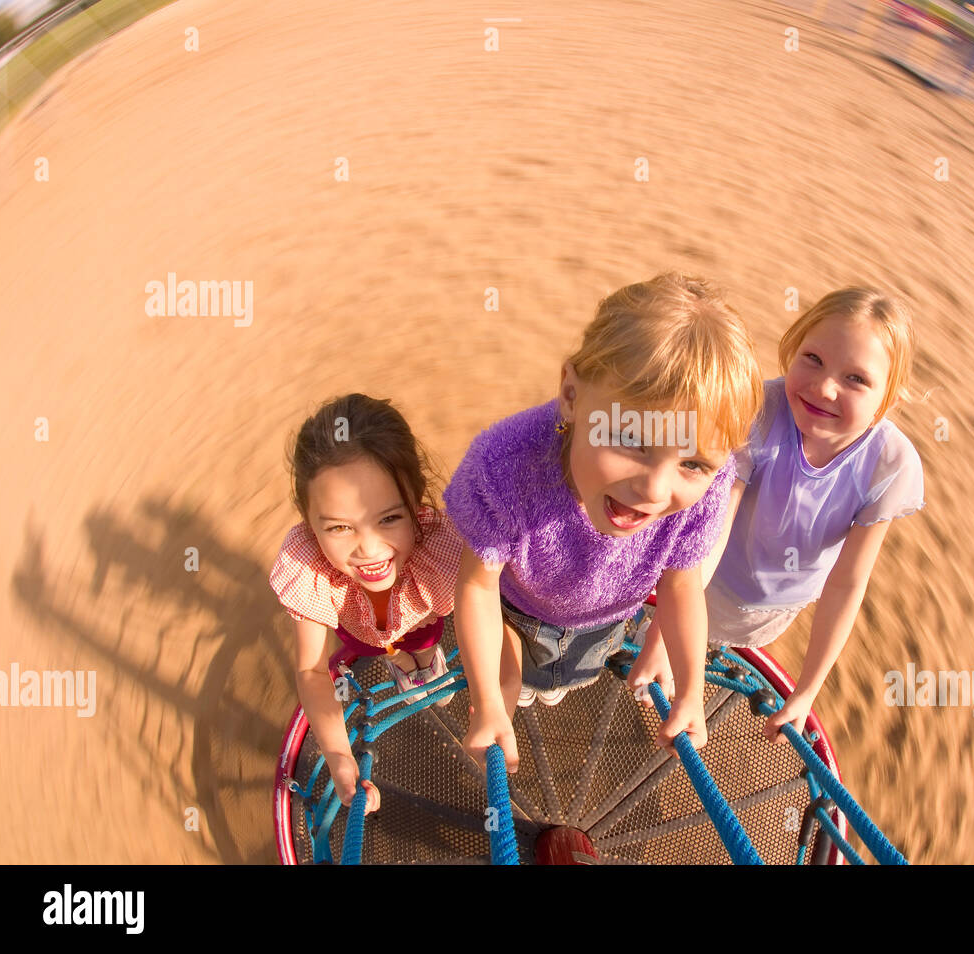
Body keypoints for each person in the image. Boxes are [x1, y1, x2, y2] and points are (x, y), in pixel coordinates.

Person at [444, 272, 763, 773]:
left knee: (570, 681)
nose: (656, 491)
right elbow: (478, 586)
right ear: (571, 394)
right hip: (516, 615)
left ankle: (547, 690)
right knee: (513, 690)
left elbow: (682, 585)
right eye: (633, 439)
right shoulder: (503, 466)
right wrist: (487, 703)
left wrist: (691, 691)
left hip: (608, 622)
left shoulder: (710, 485)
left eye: (693, 464)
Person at [631, 287, 926, 743]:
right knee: (660, 653)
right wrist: (662, 637)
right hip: (704, 579)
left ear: (888, 399)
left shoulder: (890, 464)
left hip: (774, 605)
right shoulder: (763, 412)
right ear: (792, 347)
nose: (824, 387)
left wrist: (807, 691)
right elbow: (712, 534)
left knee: (721, 645)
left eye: (856, 379)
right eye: (812, 358)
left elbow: (847, 583)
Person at [270, 393, 464, 815]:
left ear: (416, 501)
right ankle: (402, 665)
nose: (369, 550)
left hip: (419, 622)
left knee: (425, 639)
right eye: (340, 527)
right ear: (309, 525)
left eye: (390, 518)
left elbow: (481, 609)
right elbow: (310, 669)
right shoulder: (310, 571)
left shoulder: (442, 549)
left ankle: (425, 661)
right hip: (362, 634)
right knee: (385, 648)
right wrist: (340, 758)